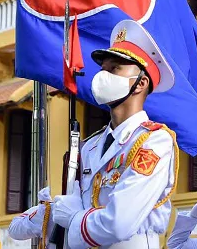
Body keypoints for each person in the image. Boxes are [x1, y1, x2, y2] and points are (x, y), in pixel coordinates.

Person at [51, 19, 178, 249]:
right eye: (103, 69)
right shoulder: (89, 146)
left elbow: (119, 222)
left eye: (114, 69)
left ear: (140, 83)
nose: (103, 76)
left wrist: (74, 219)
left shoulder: (154, 141)